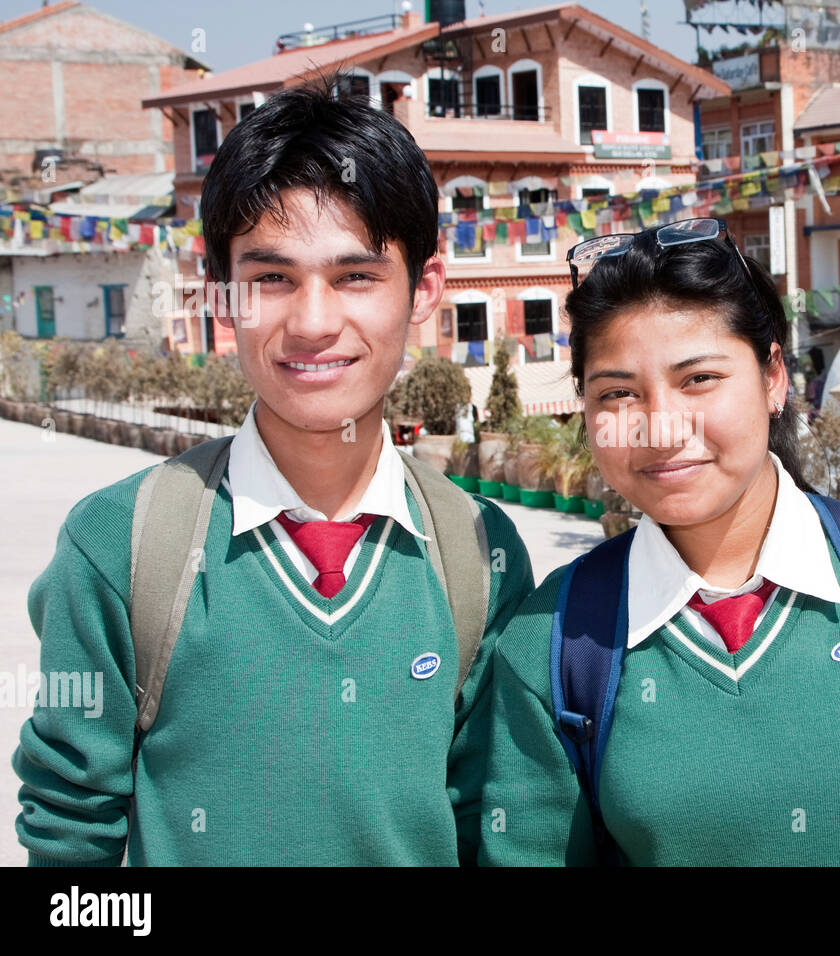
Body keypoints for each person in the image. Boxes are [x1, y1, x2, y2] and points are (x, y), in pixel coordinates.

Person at [12, 75, 533, 866]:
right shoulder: (122, 545)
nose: (314, 323)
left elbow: (495, 823)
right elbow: (68, 837)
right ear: (220, 293)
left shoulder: (477, 553)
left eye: (356, 277)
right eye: (271, 279)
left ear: (424, 290)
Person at [472, 218, 840, 865]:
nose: (662, 427)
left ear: (773, 379)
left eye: (699, 379)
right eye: (618, 392)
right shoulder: (554, 642)